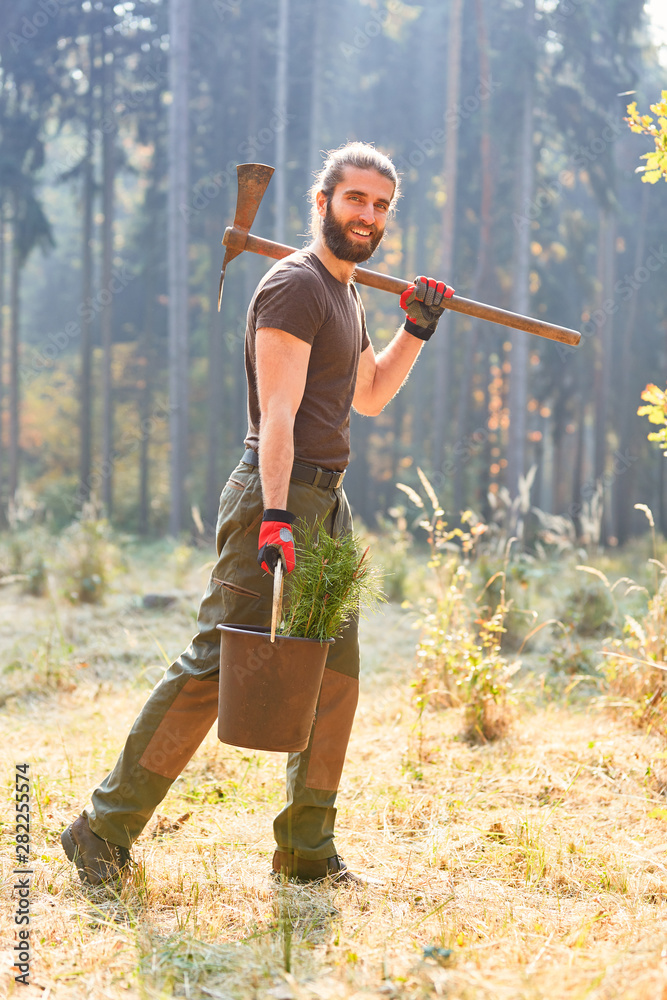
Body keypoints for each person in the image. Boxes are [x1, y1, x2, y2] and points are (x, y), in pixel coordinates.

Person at [61, 141, 453, 886]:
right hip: (275, 497)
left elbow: (367, 394)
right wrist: (276, 516)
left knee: (334, 674)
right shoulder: (294, 287)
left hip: (327, 500)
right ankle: (103, 829)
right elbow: (276, 414)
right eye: (353, 200)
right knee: (218, 663)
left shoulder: (346, 292)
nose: (366, 215)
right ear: (322, 202)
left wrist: (417, 329)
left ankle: (305, 851)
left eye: (378, 204)